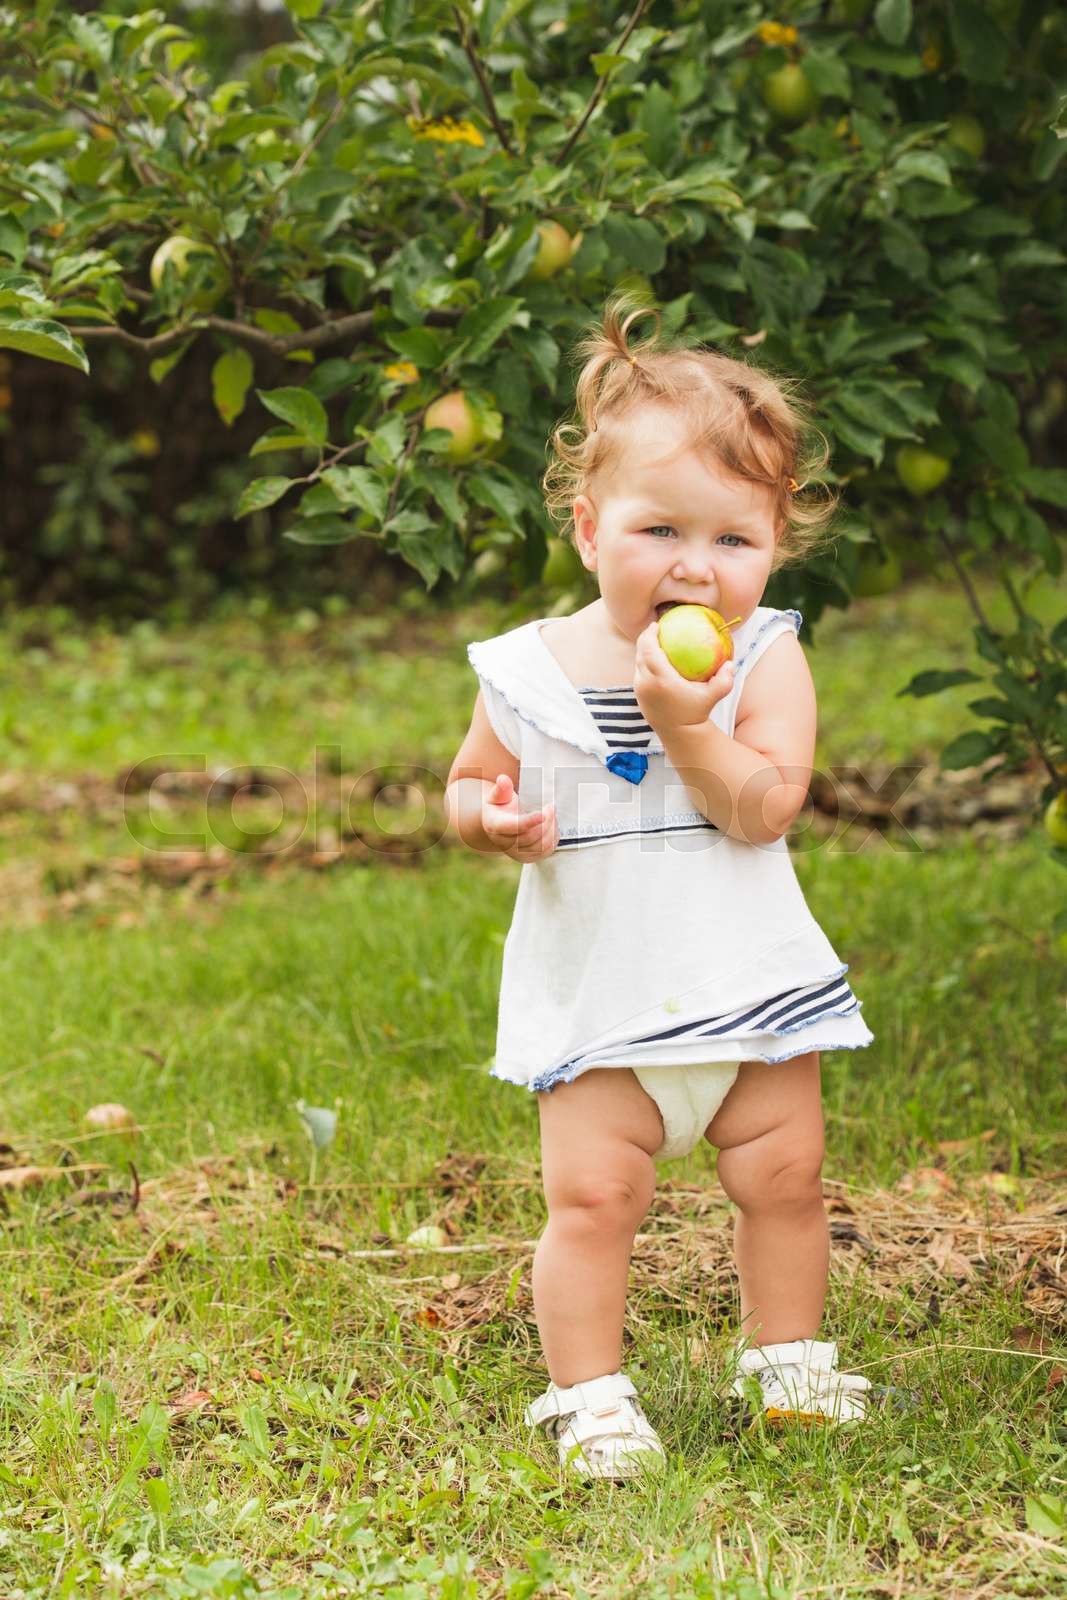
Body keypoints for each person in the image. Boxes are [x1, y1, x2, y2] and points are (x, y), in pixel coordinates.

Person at [444, 297, 876, 1480]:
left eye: (732, 540)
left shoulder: (764, 656)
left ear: (773, 545)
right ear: (587, 529)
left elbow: (761, 807)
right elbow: (464, 783)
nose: (696, 565)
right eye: (658, 530)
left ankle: (785, 1358)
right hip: (603, 1001)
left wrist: (688, 727)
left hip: (745, 986)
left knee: (784, 1181)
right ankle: (587, 1395)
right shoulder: (527, 669)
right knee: (591, 1199)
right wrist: (492, 821)